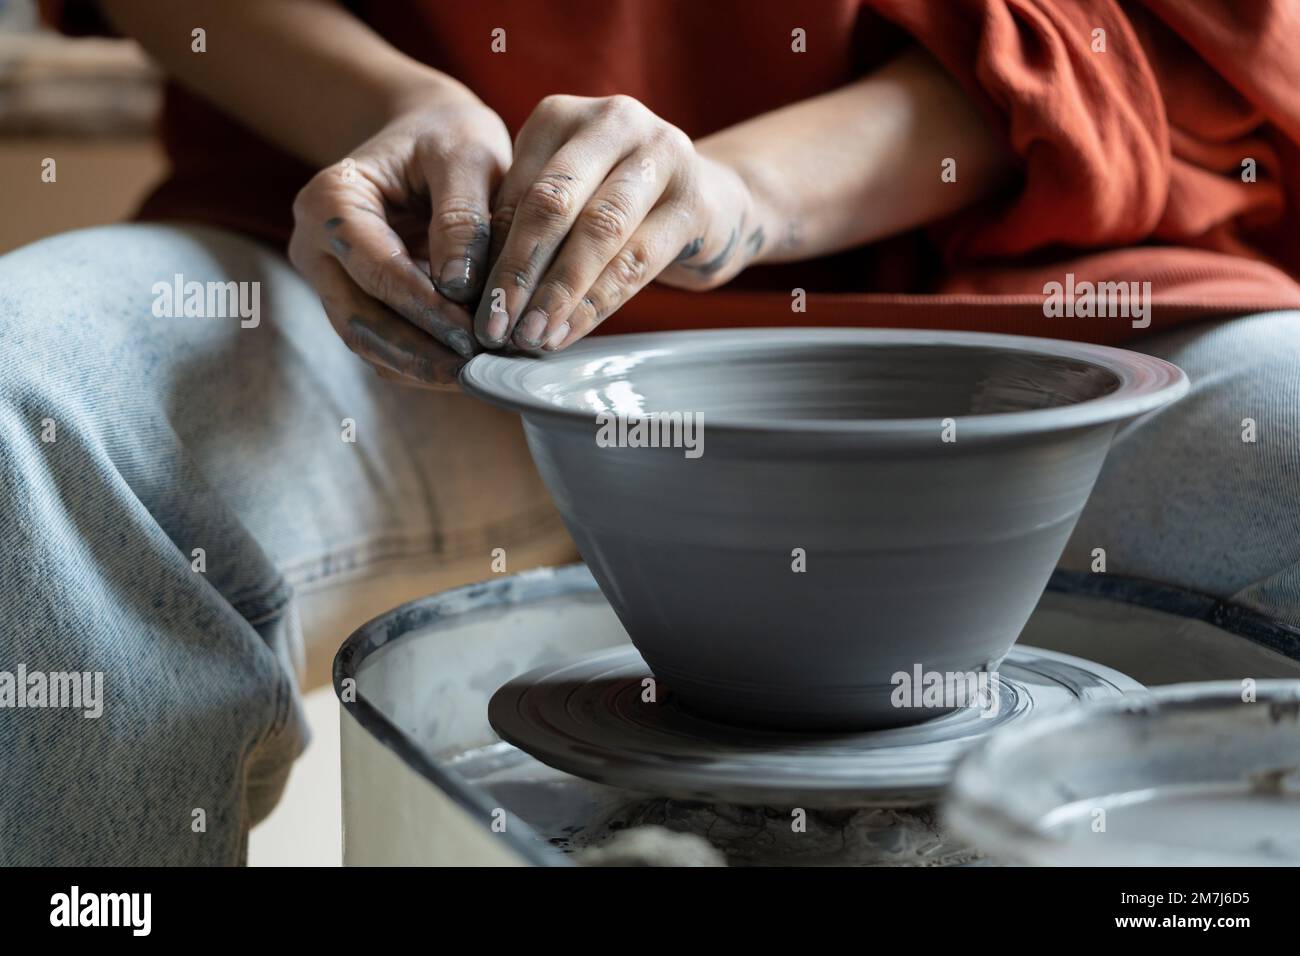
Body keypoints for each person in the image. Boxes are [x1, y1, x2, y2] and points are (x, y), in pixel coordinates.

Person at [3, 0, 1297, 864]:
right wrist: (402, 115)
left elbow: (1159, 37)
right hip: (404, 295)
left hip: (1017, 306)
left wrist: (743, 193)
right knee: (27, 401)